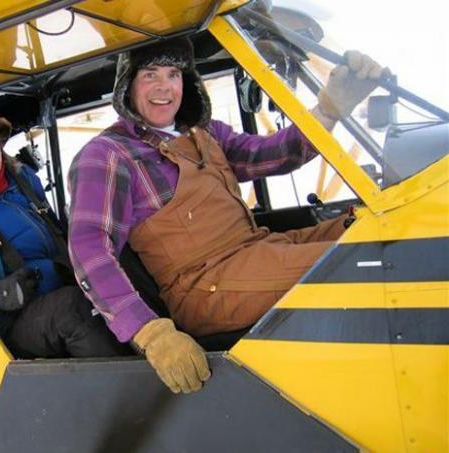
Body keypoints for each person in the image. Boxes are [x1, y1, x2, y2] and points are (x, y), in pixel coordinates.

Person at [67, 38, 386, 393]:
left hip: (256, 251)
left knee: (372, 233)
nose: (163, 87)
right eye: (149, 74)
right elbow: (89, 249)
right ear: (128, 85)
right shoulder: (108, 154)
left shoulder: (204, 133)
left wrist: (329, 110)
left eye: (173, 74)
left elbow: (276, 154)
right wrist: (150, 333)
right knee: (364, 263)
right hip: (205, 287)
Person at [0, 95, 127, 359]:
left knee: (120, 267)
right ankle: (127, 392)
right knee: (72, 308)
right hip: (8, 324)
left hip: (64, 284)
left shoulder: (23, 181)